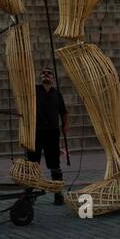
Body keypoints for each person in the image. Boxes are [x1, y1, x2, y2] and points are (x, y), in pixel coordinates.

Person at [30, 67, 68, 204]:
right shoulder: (34, 91)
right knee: (33, 163)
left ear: (53, 78)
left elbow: (64, 112)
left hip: (52, 132)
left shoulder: (57, 94)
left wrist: (64, 126)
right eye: (43, 73)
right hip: (36, 132)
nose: (46, 75)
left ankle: (58, 194)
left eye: (49, 73)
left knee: (54, 164)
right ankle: (29, 194)